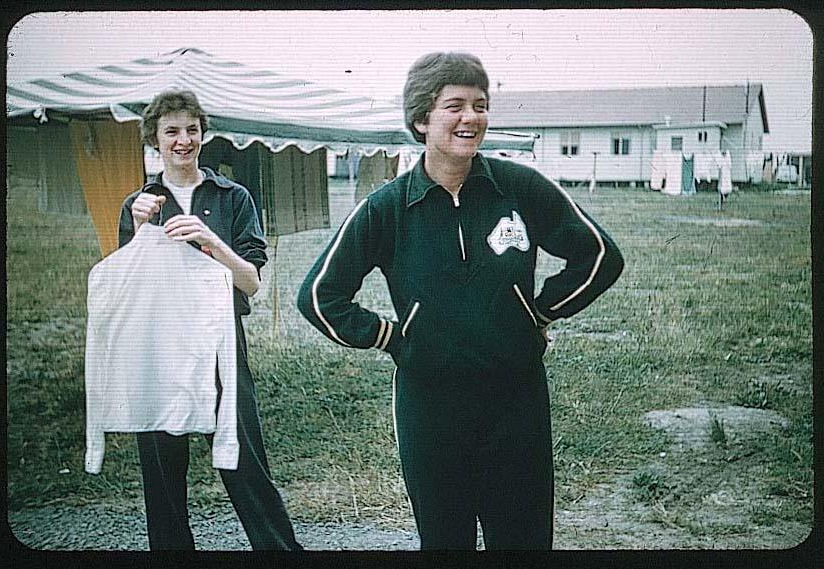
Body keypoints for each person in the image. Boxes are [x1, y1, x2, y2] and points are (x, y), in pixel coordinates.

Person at [297, 52, 624, 550]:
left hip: (515, 402)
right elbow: (320, 296)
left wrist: (539, 310)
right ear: (421, 119)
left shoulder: (520, 188)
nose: (471, 118)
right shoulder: (388, 208)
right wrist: (387, 336)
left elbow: (600, 256)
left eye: (480, 104)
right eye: (455, 105)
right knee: (445, 541)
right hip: (431, 409)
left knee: (523, 541)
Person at [117, 90, 301, 551]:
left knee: (243, 456)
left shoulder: (232, 197)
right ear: (154, 140)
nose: (184, 141)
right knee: (161, 468)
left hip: (219, 341)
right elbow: (128, 287)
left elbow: (251, 282)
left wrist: (211, 243)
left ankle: (279, 550)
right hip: (158, 345)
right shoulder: (139, 204)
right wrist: (140, 231)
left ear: (204, 133)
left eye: (192, 130)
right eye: (172, 132)